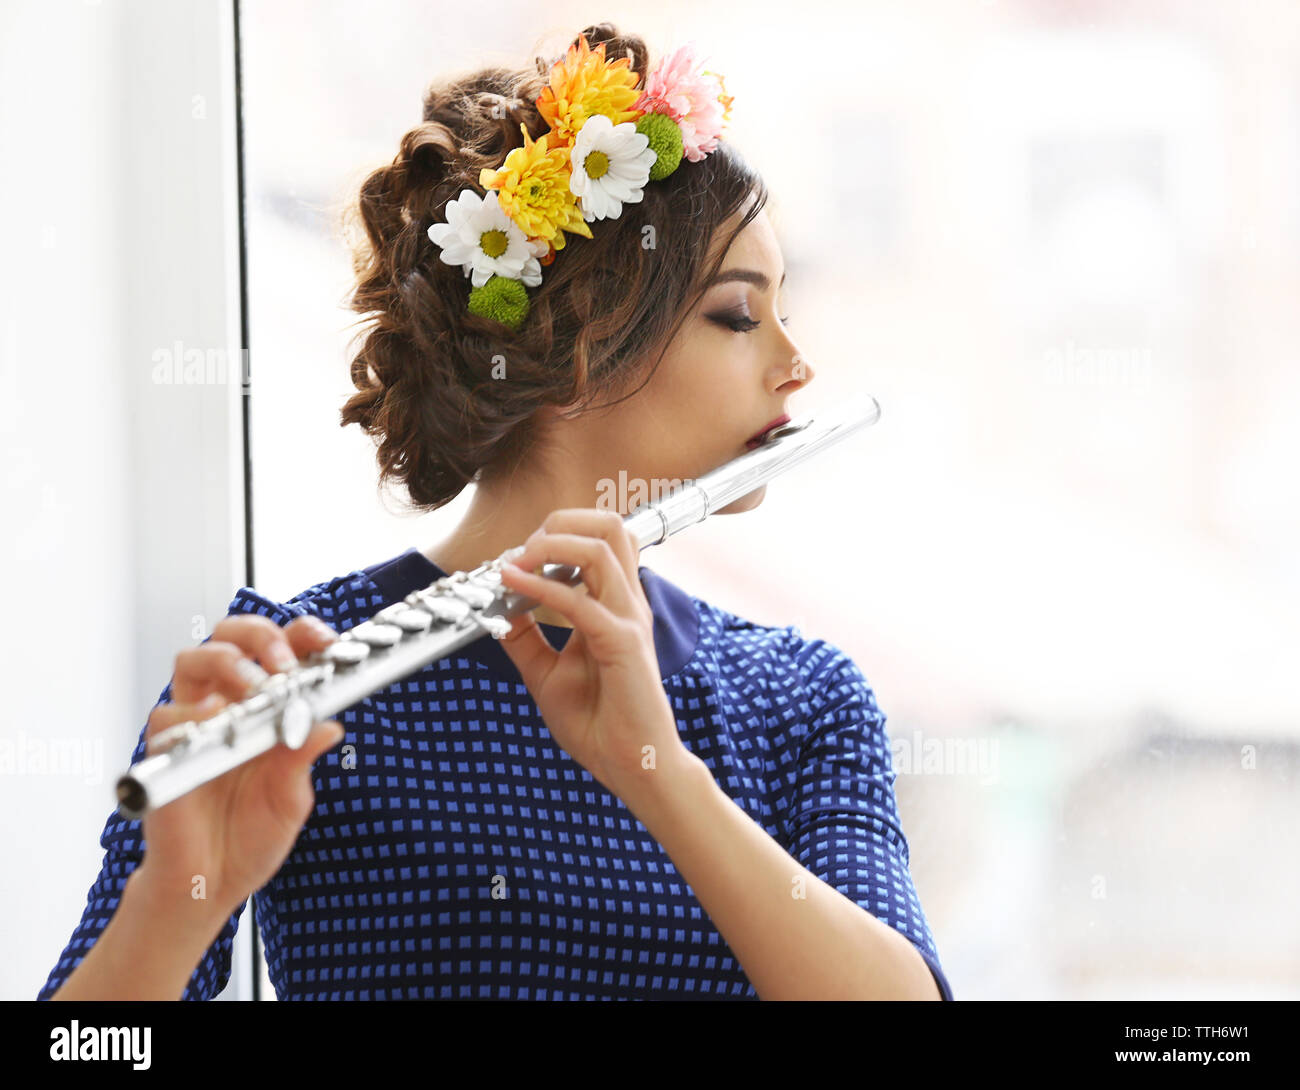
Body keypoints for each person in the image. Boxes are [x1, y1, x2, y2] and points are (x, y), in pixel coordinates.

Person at [39, 22, 953, 1001]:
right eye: (737, 314)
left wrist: (660, 776)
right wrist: (177, 902)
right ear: (577, 345)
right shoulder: (286, 670)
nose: (794, 361)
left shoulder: (798, 698)